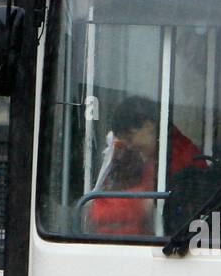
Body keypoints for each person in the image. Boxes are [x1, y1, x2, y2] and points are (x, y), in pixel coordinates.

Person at [86, 96, 202, 235]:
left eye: (130, 138)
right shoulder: (158, 156)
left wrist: (103, 206)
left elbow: (149, 205)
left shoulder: (181, 159)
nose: (130, 145)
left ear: (148, 126)